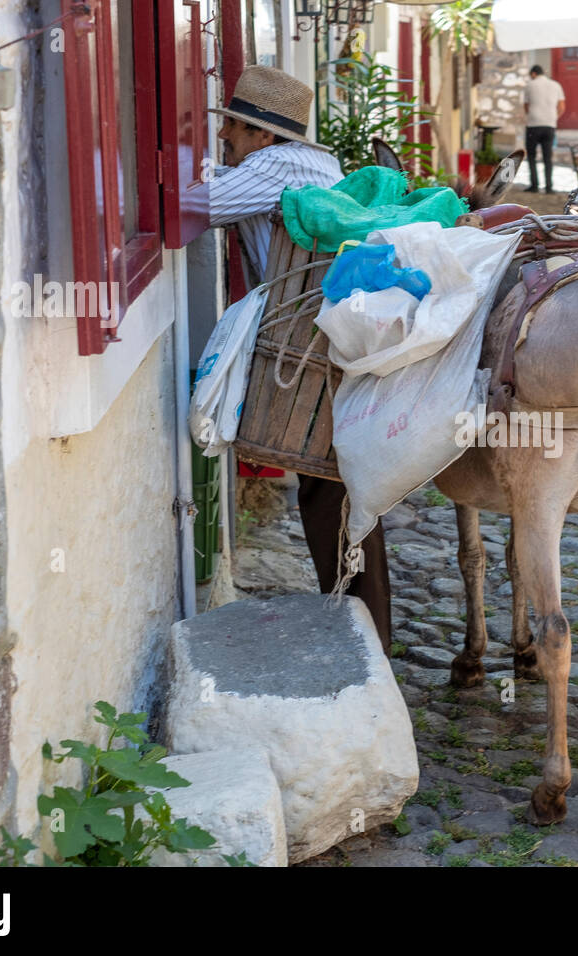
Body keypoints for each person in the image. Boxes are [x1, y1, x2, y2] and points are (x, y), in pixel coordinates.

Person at [207, 65, 392, 648]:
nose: (225, 138)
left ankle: (363, 633)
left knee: (330, 483)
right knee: (335, 480)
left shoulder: (277, 166)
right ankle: (358, 624)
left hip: (310, 341)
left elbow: (194, 206)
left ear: (263, 136)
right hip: (333, 332)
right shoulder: (312, 163)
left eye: (233, 127)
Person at [522, 64, 566, 193]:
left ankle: (534, 185)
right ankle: (549, 186)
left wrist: (531, 117)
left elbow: (526, 106)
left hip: (533, 125)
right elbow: (562, 106)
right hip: (549, 125)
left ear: (534, 74)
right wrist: (553, 118)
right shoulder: (556, 85)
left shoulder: (530, 85)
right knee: (548, 157)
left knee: (531, 156)